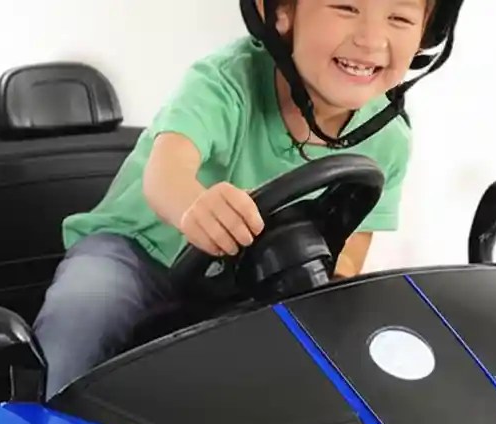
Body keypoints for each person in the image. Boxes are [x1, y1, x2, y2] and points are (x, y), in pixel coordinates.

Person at [34, 0, 462, 399]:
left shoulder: (389, 138)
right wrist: (192, 206)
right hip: (136, 252)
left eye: (399, 18)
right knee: (86, 308)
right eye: (346, 7)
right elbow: (166, 172)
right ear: (280, 11)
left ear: (427, 32)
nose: (370, 39)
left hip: (246, 284)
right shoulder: (226, 79)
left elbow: (346, 255)